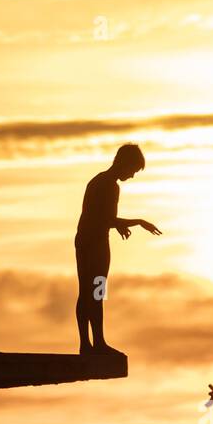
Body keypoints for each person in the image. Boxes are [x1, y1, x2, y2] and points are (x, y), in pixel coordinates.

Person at [74, 143, 161, 355]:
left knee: (88, 291)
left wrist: (119, 225)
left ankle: (88, 343)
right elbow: (105, 219)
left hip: (86, 240)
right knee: (95, 292)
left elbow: (102, 217)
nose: (131, 176)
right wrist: (139, 222)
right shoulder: (110, 185)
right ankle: (97, 343)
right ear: (125, 163)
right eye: (132, 170)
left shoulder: (98, 180)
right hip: (95, 245)